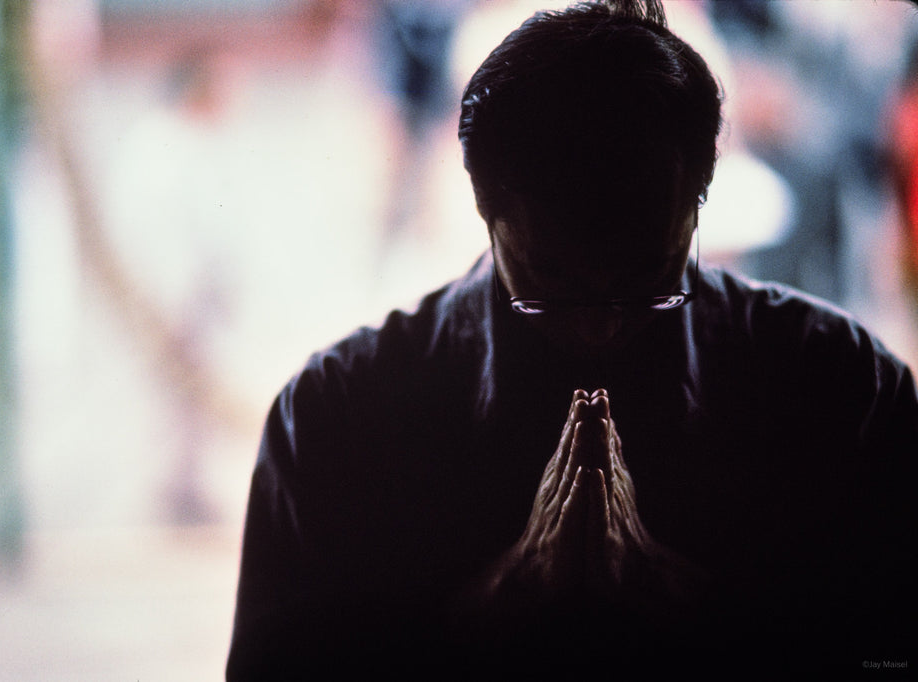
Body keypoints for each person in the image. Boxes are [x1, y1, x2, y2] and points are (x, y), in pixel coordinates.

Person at [226, 1, 917, 678]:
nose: (599, 326)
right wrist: (493, 613)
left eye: (645, 277)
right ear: (482, 208)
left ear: (702, 194)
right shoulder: (338, 420)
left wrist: (697, 620)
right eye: (550, 282)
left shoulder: (842, 393)